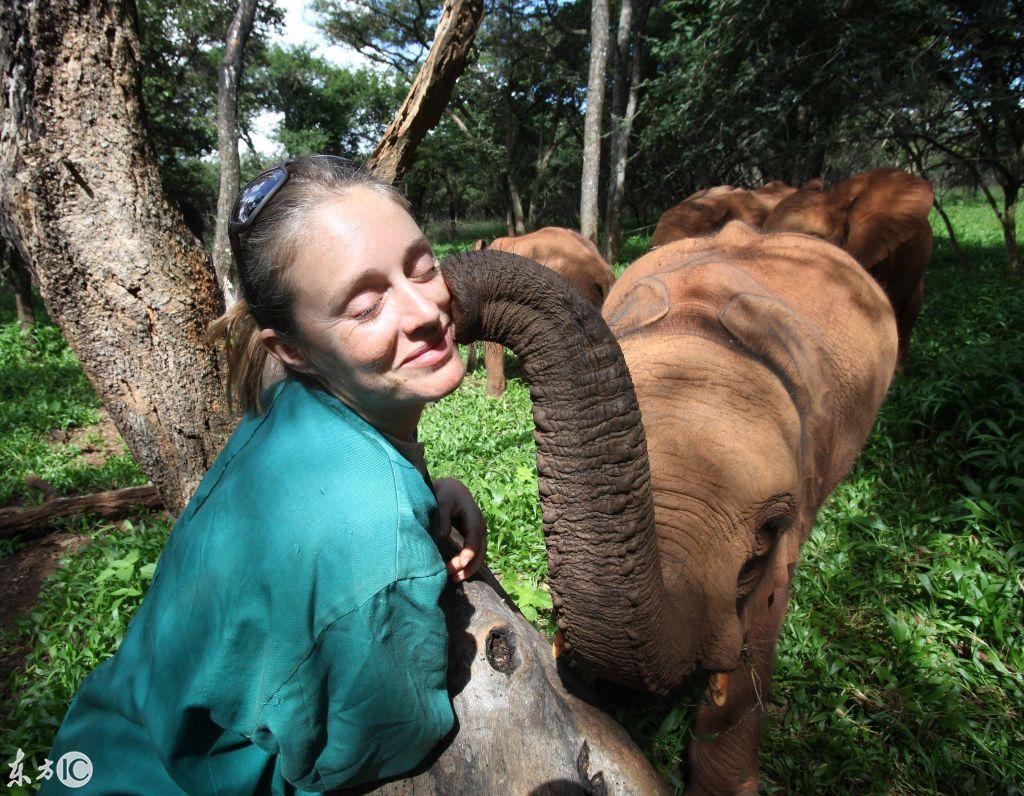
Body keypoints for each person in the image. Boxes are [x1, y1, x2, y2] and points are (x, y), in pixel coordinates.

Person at [41, 155, 487, 794]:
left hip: (104, 744)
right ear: (293, 349)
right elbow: (378, 749)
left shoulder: (286, 405)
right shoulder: (373, 544)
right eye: (365, 307)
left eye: (423, 267)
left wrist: (428, 492)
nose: (423, 309)